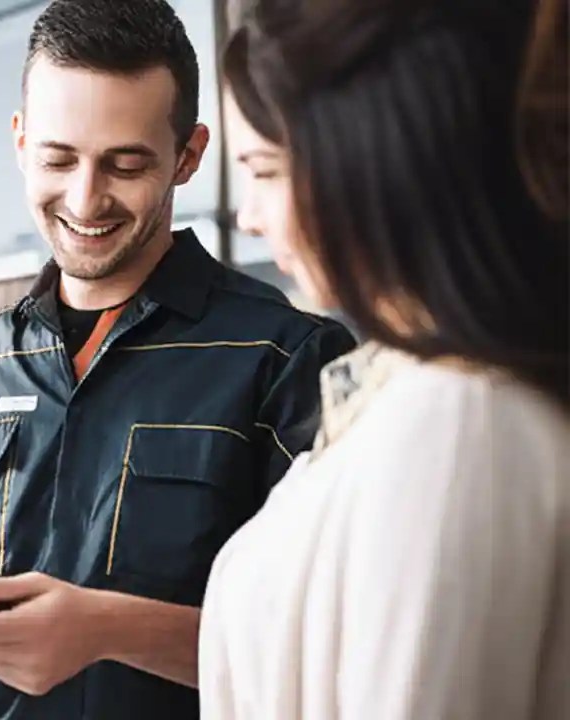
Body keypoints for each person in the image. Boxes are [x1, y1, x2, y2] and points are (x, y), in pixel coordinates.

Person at [0, 1, 356, 717]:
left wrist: (105, 631)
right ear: (20, 141)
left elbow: (325, 646)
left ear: (188, 155)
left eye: (125, 164)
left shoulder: (288, 356)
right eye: (58, 159)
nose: (85, 198)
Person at [200, 0, 568, 717]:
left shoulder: (460, 428)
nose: (247, 215)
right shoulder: (411, 404)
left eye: (266, 170)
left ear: (370, 162)